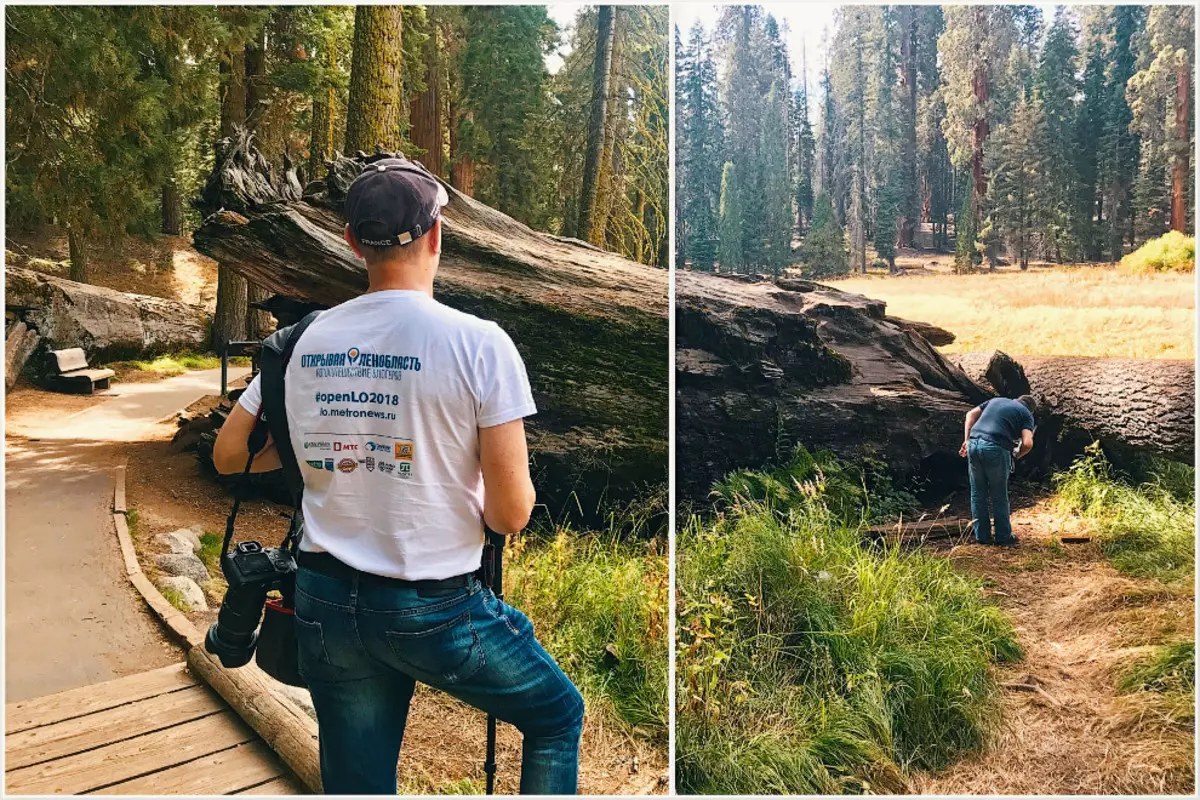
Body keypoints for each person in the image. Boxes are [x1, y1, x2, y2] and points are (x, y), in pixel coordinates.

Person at [212, 156, 584, 795]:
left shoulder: (300, 342)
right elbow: (511, 513)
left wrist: (330, 443)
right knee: (555, 715)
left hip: (325, 602)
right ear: (438, 236)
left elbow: (230, 454)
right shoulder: (479, 343)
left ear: (353, 242)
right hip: (432, 605)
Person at [958, 394, 1037, 547]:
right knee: (998, 494)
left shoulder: (996, 400)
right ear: (1031, 410)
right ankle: (1003, 537)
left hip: (974, 444)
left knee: (977, 493)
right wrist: (1016, 454)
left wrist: (966, 440)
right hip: (996, 448)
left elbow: (970, 414)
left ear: (1017, 399)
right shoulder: (1026, 414)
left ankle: (982, 536)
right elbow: (1027, 443)